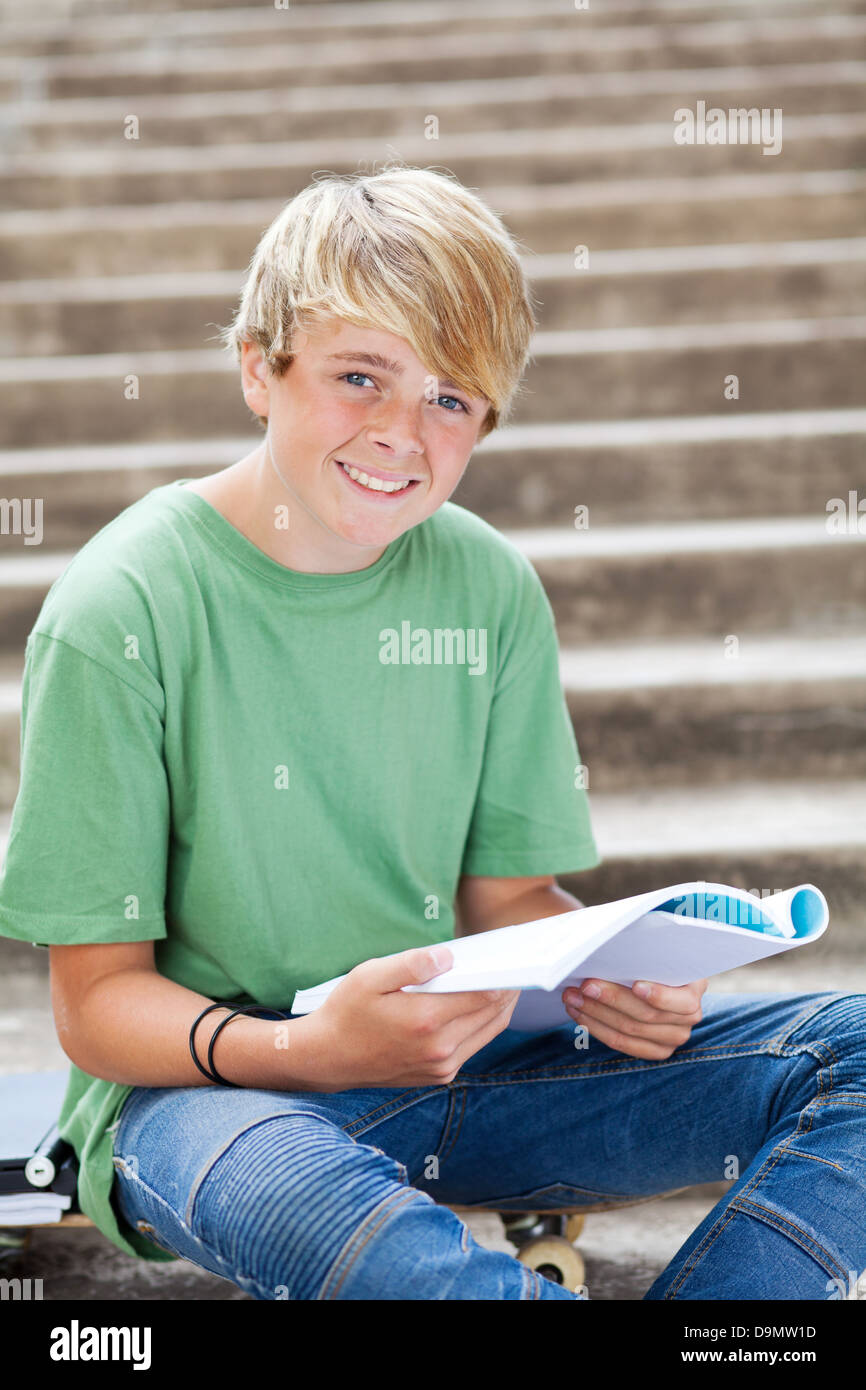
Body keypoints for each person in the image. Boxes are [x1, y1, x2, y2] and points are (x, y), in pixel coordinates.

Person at [0, 164, 863, 1302]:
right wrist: (308, 1053)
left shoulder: (488, 588)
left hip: (462, 1065)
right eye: (360, 377)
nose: (401, 434)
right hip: (224, 1093)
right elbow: (95, 1005)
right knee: (315, 1208)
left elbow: (509, 904)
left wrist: (618, 974)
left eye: (449, 399)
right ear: (258, 369)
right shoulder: (125, 607)